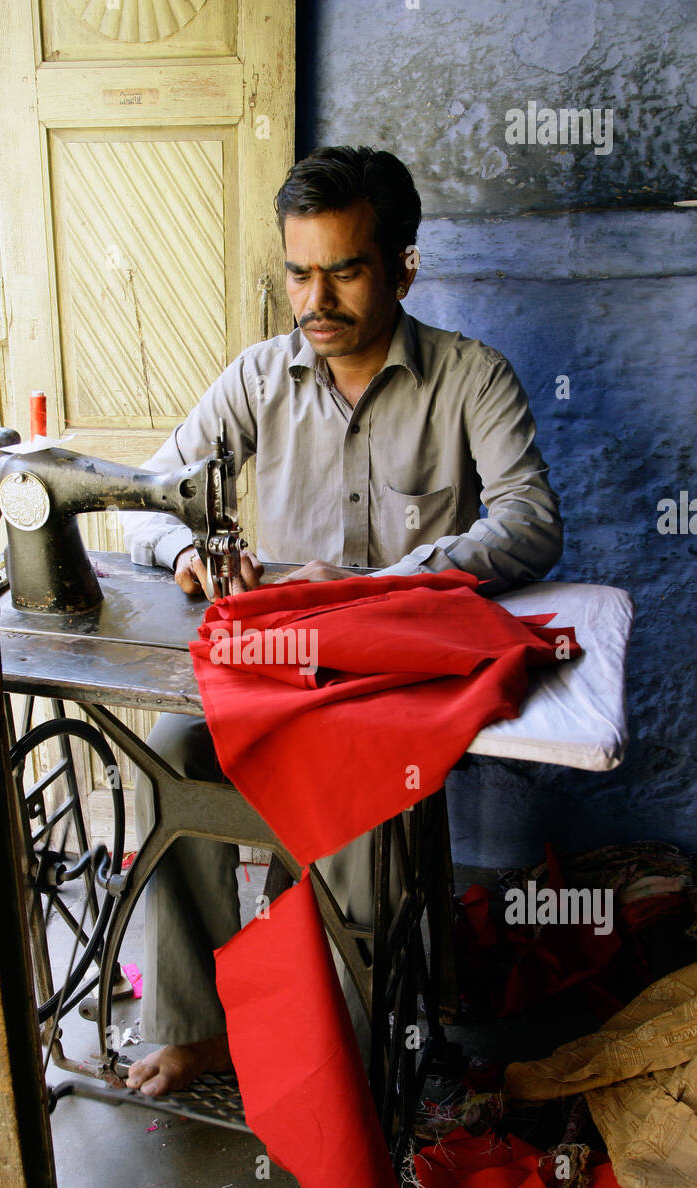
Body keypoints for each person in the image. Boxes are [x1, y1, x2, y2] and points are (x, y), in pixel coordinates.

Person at [122, 146, 563, 1097]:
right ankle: (200, 1027)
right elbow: (142, 501)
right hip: (278, 665)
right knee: (171, 755)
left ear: (403, 265)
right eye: (299, 272)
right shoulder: (257, 380)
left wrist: (374, 587)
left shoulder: (469, 379)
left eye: (346, 270)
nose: (316, 299)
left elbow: (531, 522)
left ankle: (341, 1046)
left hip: (387, 679)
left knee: (367, 799)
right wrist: (186, 552)